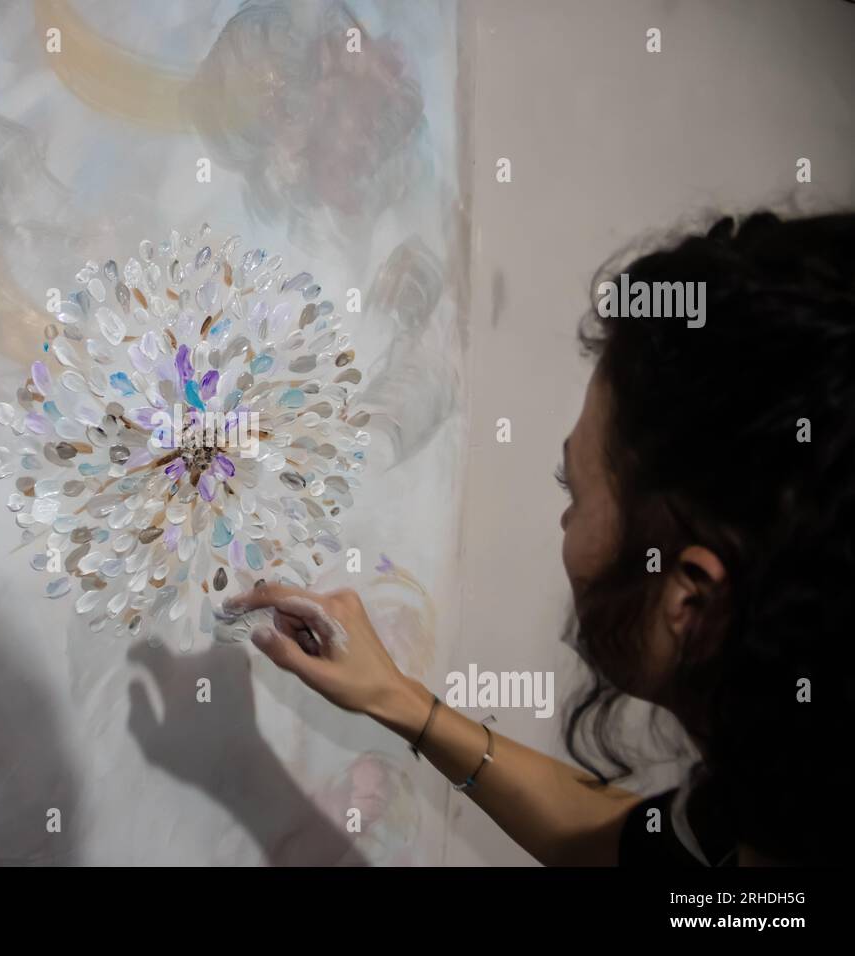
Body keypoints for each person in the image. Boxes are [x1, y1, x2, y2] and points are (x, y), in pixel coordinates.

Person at [226, 211, 855, 866]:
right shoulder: (778, 806)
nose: (562, 525)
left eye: (573, 492)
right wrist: (402, 701)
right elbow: (645, 848)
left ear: (690, 602)